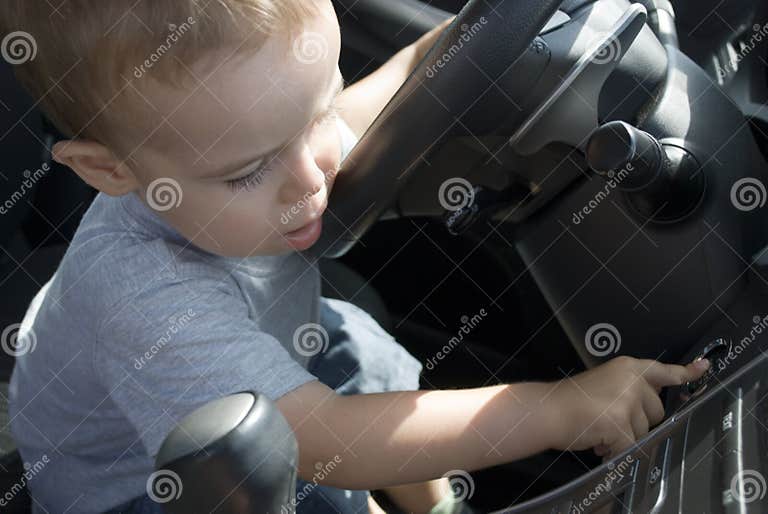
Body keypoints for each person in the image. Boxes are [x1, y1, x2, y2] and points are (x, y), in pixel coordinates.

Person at [0, 1, 709, 513]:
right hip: (153, 478)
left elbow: (417, 73)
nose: (312, 180)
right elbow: (314, 440)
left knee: (366, 359)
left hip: (274, 350)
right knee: (325, 486)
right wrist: (560, 410)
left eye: (320, 115)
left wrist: (498, 27)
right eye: (249, 172)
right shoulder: (140, 297)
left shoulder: (246, 133)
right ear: (108, 170)